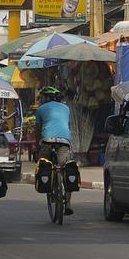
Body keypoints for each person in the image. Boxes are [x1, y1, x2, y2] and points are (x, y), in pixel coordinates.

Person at [36, 87, 75, 215]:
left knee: (44, 164)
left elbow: (38, 129)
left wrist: (38, 146)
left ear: (47, 98)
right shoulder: (66, 108)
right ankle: (68, 203)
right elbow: (66, 125)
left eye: (42, 97)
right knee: (66, 168)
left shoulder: (41, 109)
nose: (41, 100)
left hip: (47, 140)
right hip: (64, 140)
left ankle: (48, 185)